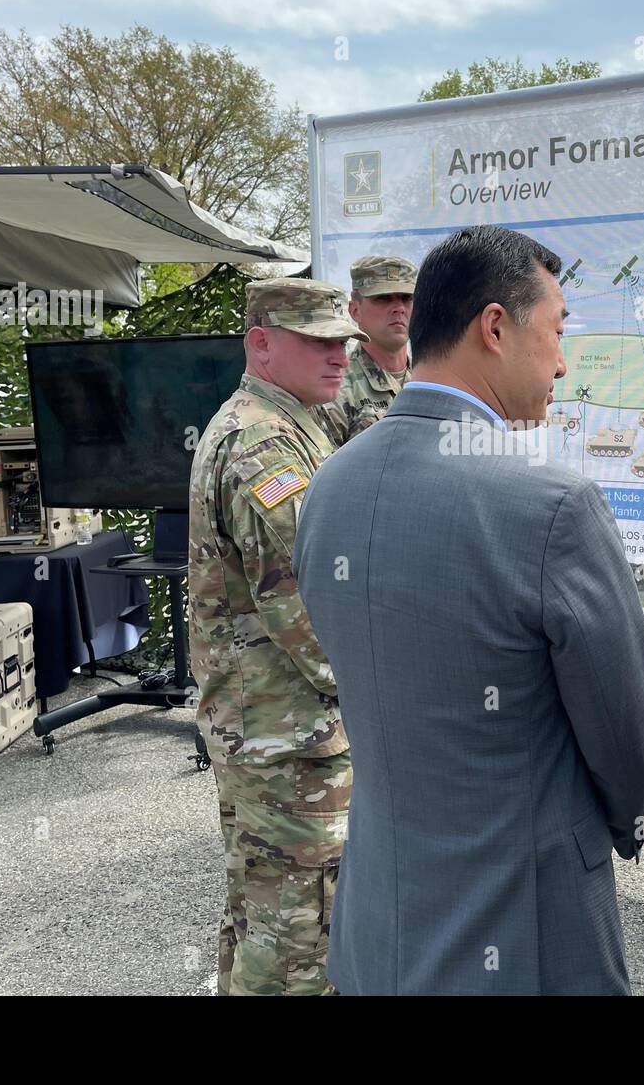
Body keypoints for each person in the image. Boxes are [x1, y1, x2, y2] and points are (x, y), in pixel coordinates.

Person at [292, 224, 644, 995]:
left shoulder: (327, 484)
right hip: (521, 932)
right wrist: (616, 823)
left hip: (376, 927)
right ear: (495, 327)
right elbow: (632, 737)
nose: (564, 362)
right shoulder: (552, 506)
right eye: (559, 329)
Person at [187, 279, 368, 996]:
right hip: (290, 739)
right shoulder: (264, 442)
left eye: (341, 342)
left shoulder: (280, 423)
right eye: (318, 341)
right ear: (261, 344)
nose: (338, 356)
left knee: (262, 917)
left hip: (269, 731)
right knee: (300, 937)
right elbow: (312, 614)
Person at [316, 255, 416, 446]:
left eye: (406, 298)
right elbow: (326, 473)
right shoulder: (335, 390)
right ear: (355, 310)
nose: (399, 308)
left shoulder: (428, 380)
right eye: (384, 299)